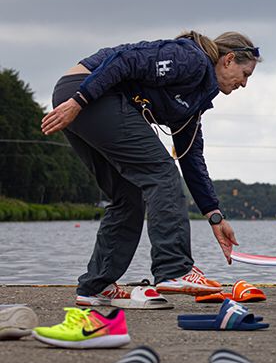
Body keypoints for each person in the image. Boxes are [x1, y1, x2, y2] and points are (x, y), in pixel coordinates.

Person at [40, 31, 260, 305]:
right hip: (87, 93)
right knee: (161, 173)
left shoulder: (195, 98)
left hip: (82, 98)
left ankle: (96, 286)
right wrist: (78, 101)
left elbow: (190, 156)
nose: (245, 84)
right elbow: (124, 61)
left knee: (129, 196)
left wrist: (214, 215)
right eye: (245, 74)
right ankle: (174, 269)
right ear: (228, 60)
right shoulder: (190, 58)